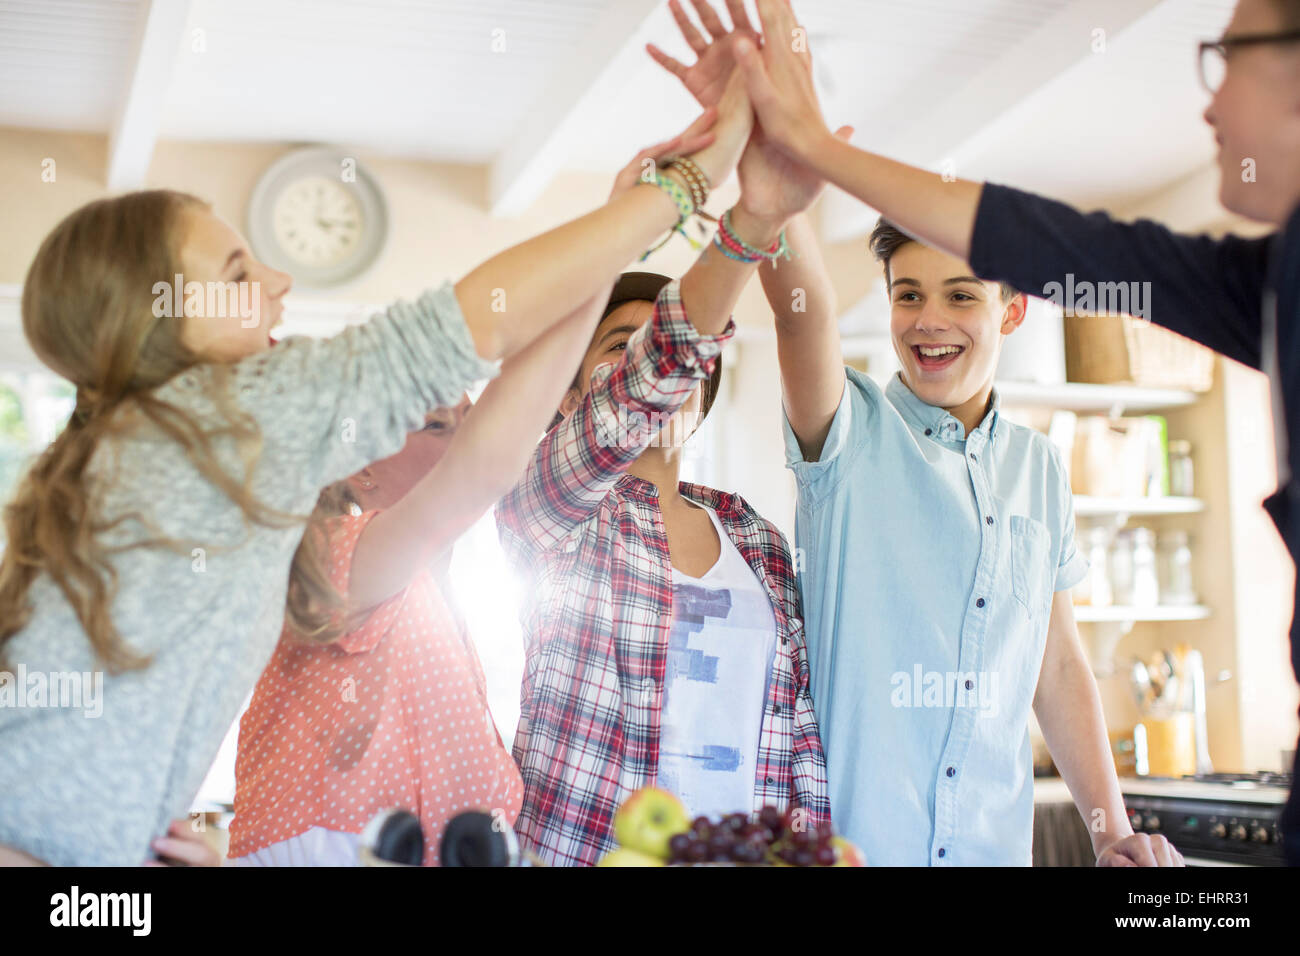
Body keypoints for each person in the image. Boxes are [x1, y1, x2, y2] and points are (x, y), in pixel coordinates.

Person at [0, 103, 744, 865]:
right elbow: (468, 333)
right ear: (155, 317)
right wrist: (675, 192)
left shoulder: (187, 461)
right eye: (238, 273)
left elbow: (482, 465)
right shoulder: (216, 416)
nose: (280, 281)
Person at [725, 0, 1300, 864]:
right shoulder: (850, 429)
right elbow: (801, 318)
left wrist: (1111, 834)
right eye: (908, 295)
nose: (928, 320)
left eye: (961, 295)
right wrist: (781, 198)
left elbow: (1056, 662)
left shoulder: (1037, 466)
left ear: (1014, 308)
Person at [495, 74, 833, 868]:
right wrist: (752, 221)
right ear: (572, 391)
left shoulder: (754, 536)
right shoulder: (549, 510)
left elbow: (797, 736)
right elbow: (645, 388)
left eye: (678, 358)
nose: (660, 371)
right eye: (620, 352)